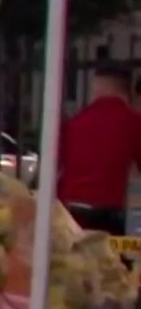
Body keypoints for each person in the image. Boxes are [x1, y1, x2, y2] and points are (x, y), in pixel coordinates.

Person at [58, 65, 141, 235]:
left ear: (96, 87)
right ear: (126, 90)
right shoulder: (132, 121)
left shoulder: (75, 122)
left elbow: (57, 165)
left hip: (69, 208)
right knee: (110, 257)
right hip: (107, 212)